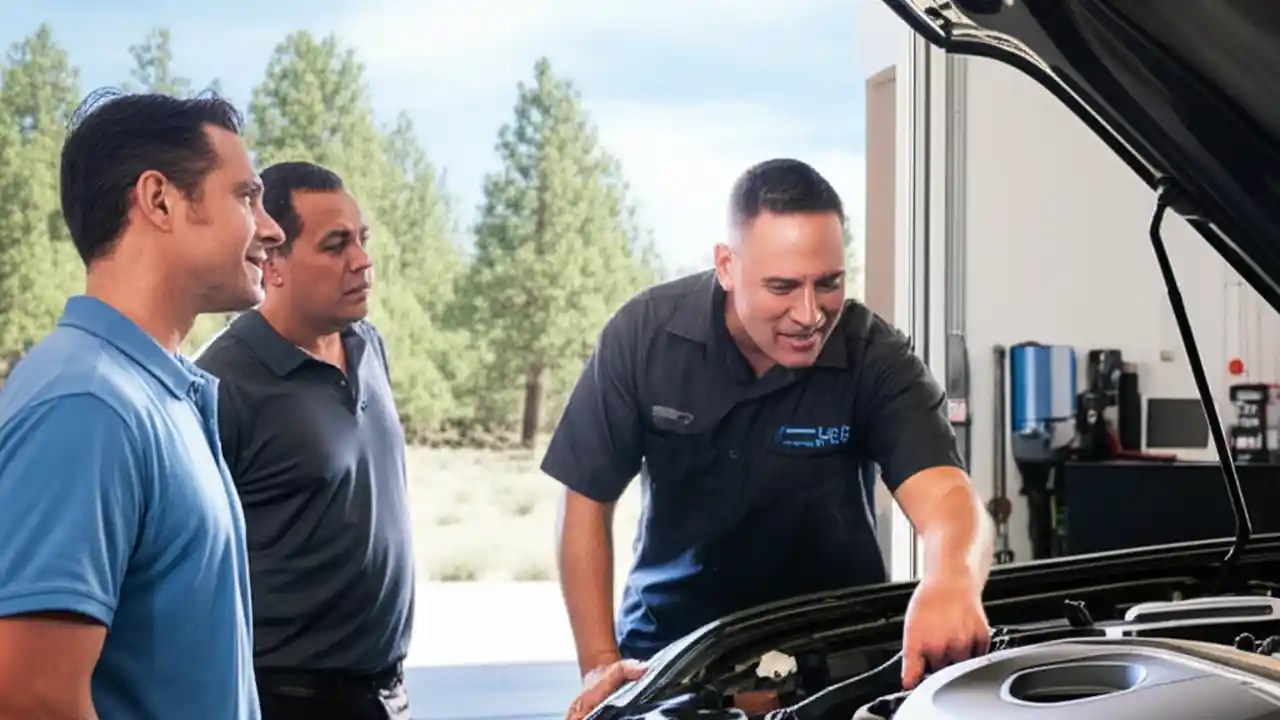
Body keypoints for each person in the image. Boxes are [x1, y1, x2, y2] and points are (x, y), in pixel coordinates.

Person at [546, 158, 995, 718]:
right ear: (727, 266)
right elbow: (585, 498)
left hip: (835, 659)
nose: (810, 315)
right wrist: (598, 662)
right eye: (782, 287)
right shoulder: (643, 336)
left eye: (828, 283)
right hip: (671, 658)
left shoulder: (874, 356)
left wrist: (951, 577)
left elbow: (951, 498)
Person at [0, 89, 284, 719]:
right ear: (159, 200)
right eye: (246, 196)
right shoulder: (88, 403)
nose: (272, 228)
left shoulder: (153, 392)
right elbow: (31, 699)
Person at [195, 160, 413, 720]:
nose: (362, 261)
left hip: (387, 691)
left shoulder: (367, 344)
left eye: (362, 240)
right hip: (289, 699)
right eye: (336, 244)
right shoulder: (222, 384)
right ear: (274, 262)